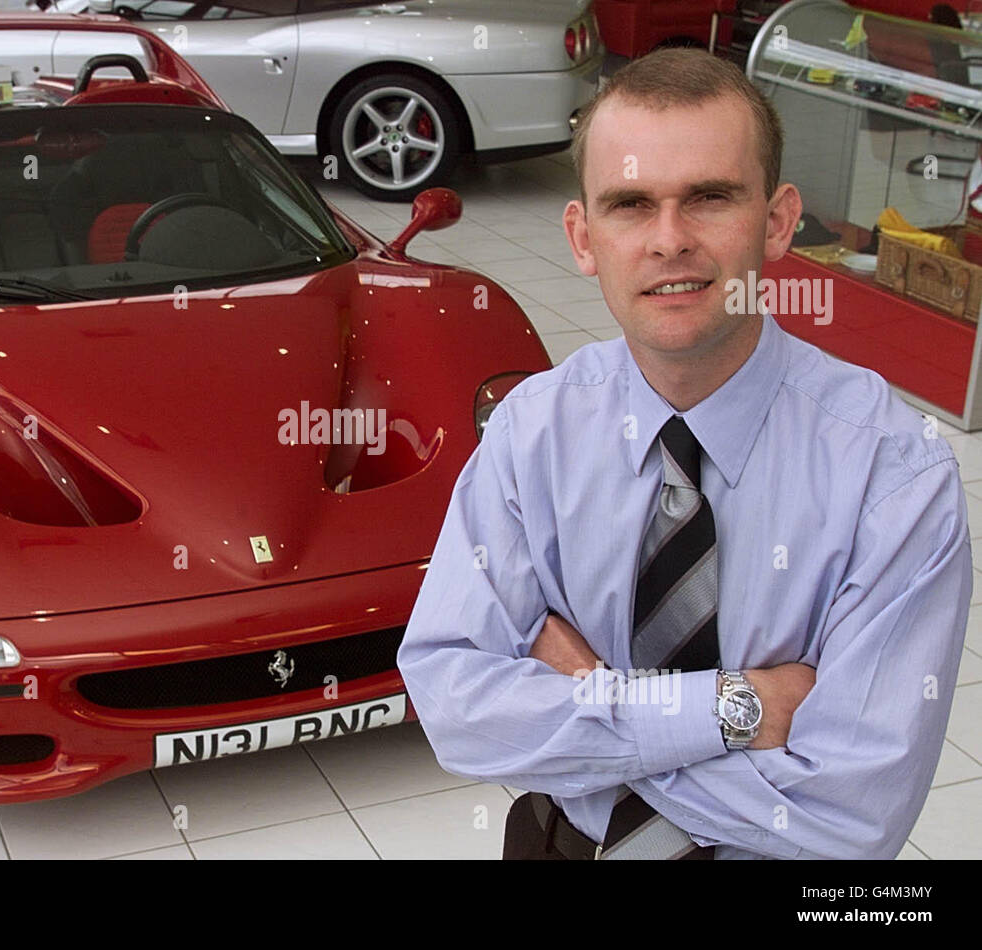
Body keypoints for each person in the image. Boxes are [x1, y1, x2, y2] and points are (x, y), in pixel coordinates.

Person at [396, 48, 973, 860]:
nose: (669, 241)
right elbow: (456, 708)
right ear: (583, 235)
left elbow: (848, 817)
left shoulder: (892, 472)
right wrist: (733, 710)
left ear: (778, 221)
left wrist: (585, 700)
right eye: (629, 204)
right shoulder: (533, 435)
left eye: (708, 198)